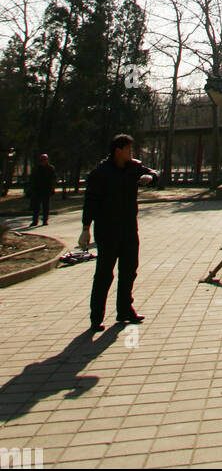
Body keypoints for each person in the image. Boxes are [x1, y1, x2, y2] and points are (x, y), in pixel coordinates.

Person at [79, 134, 159, 333]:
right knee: (104, 274)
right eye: (128, 149)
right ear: (118, 150)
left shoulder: (133, 168)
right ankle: (96, 317)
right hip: (107, 231)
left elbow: (154, 174)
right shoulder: (101, 173)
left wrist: (151, 177)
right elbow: (91, 202)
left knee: (129, 270)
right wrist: (85, 229)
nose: (131, 153)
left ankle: (124, 310)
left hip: (129, 229)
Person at [29, 153, 56, 226]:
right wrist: (32, 189)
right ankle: (35, 221)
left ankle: (45, 220)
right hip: (37, 190)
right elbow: (33, 179)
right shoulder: (36, 168)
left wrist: (52, 189)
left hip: (46, 190)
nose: (43, 161)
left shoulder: (50, 168)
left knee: (46, 206)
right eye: (42, 160)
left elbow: (53, 179)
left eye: (45, 160)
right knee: (36, 207)